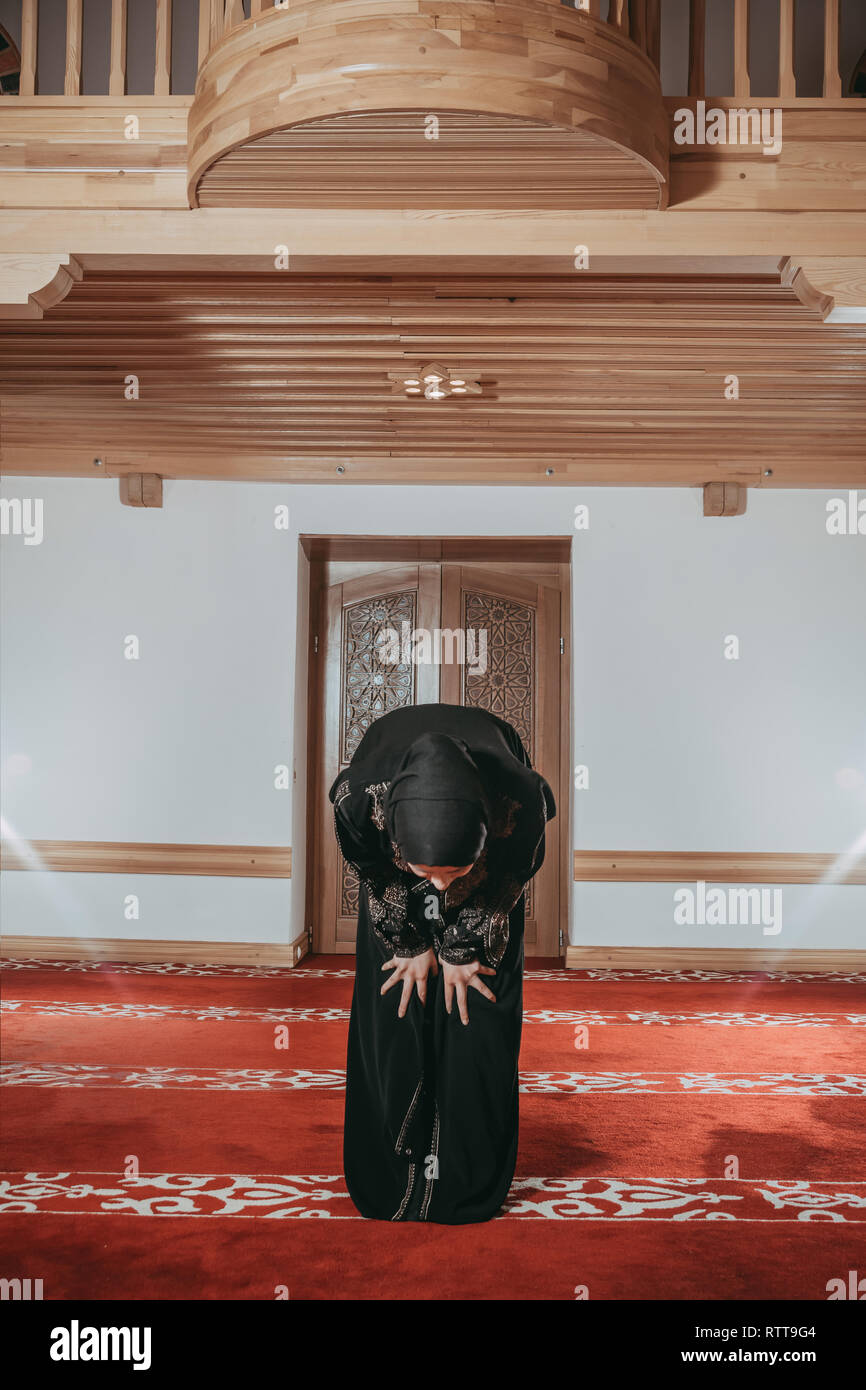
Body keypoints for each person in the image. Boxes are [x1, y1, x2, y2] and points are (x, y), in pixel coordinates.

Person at [329, 701, 556, 1224]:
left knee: (476, 1002)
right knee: (399, 999)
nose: (439, 888)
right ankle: (395, 1169)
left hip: (493, 883)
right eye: (427, 872)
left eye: (453, 871)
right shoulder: (358, 798)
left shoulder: (519, 802)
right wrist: (410, 942)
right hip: (391, 882)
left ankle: (466, 1172)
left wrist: (463, 947)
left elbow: (511, 875)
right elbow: (370, 866)